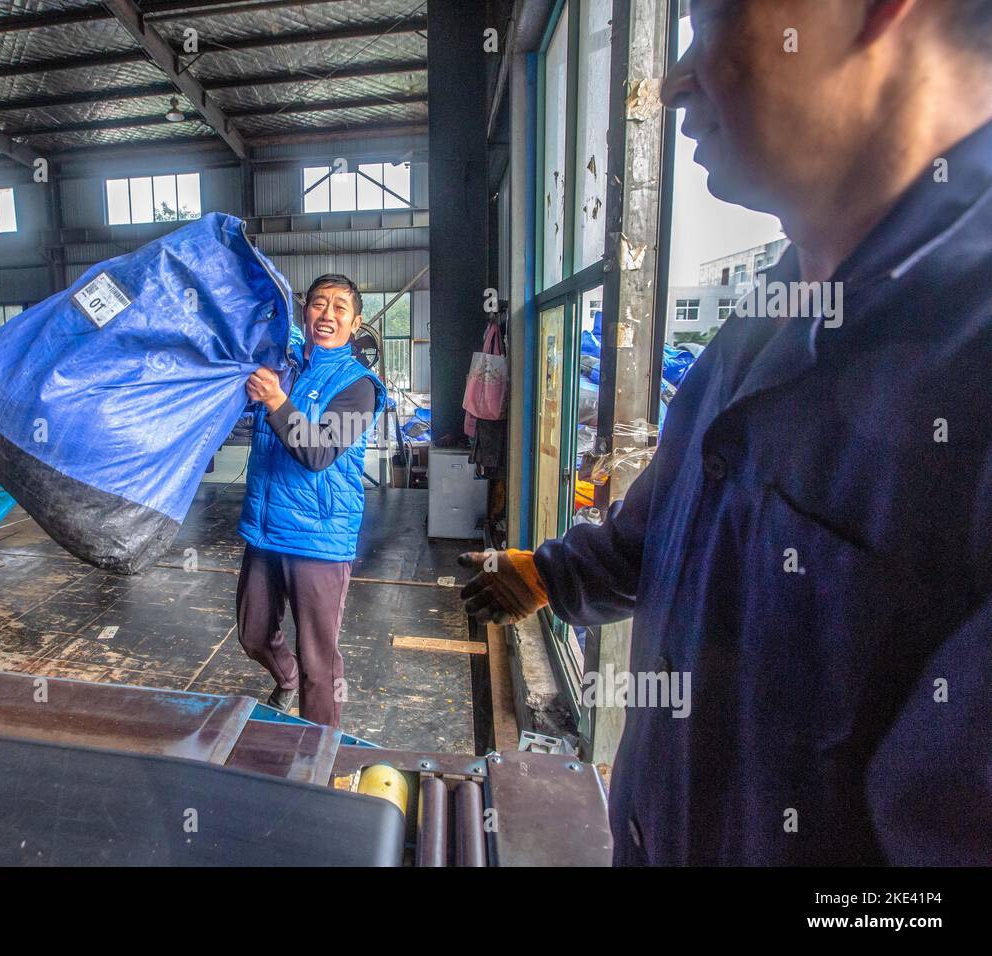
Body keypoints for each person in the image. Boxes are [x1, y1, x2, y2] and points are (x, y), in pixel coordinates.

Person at [461, 0, 992, 865]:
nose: (672, 83)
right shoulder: (764, 326)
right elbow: (666, 537)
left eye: (710, 21)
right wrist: (546, 574)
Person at [237, 273, 385, 725]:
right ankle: (285, 678)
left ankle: (320, 754)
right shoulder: (284, 365)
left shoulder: (358, 386)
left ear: (355, 323)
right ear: (306, 311)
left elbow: (318, 451)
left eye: (341, 307)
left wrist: (278, 401)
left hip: (318, 538)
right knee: (253, 633)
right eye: (320, 304)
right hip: (265, 529)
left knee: (319, 663)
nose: (328, 314)